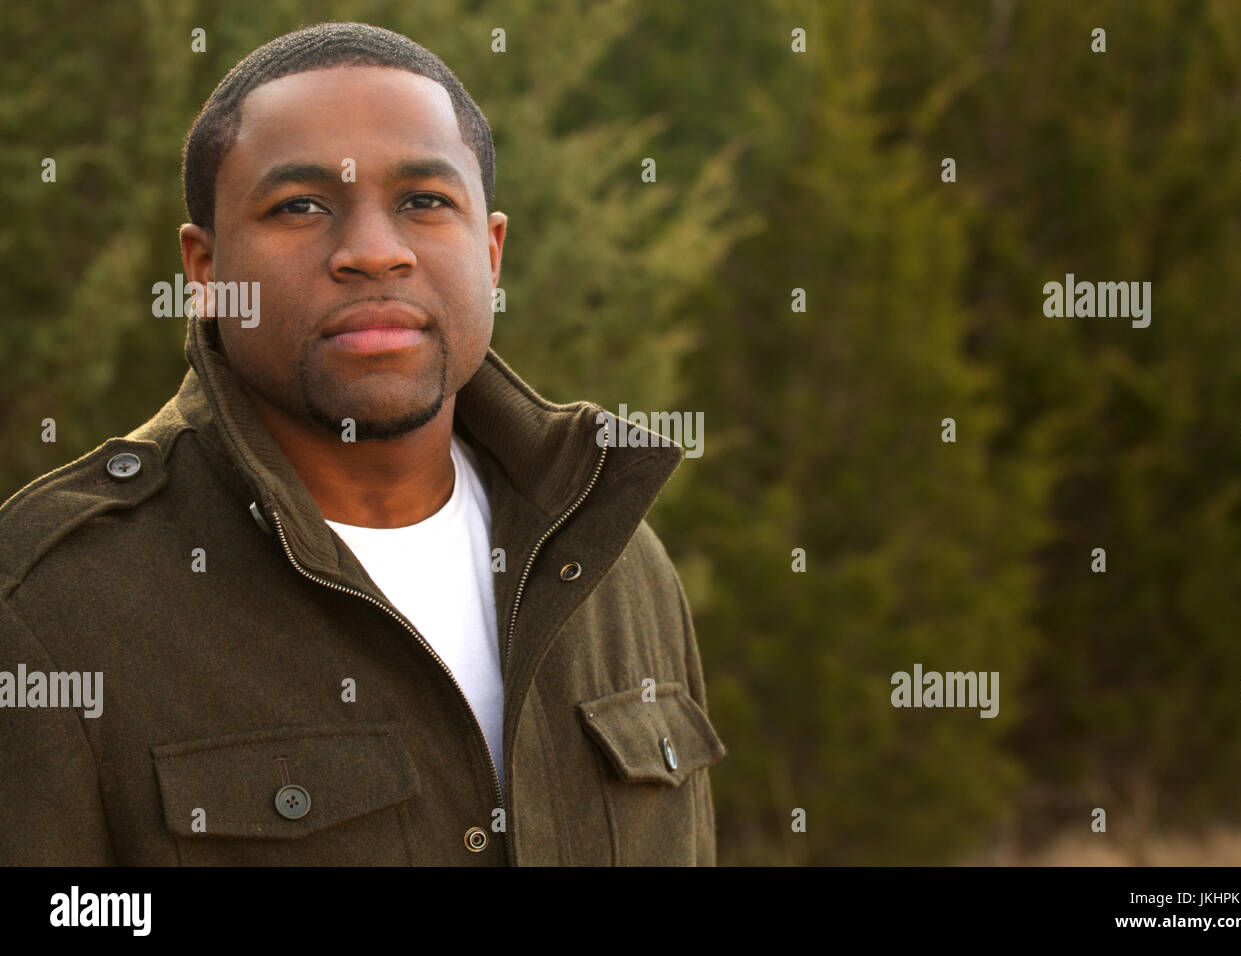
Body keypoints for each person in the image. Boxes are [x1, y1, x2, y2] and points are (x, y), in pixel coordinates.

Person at [0, 21, 724, 866]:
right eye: (299, 207)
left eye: (424, 202)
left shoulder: (614, 564)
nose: (374, 253)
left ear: (491, 254)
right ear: (204, 271)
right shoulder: (51, 605)